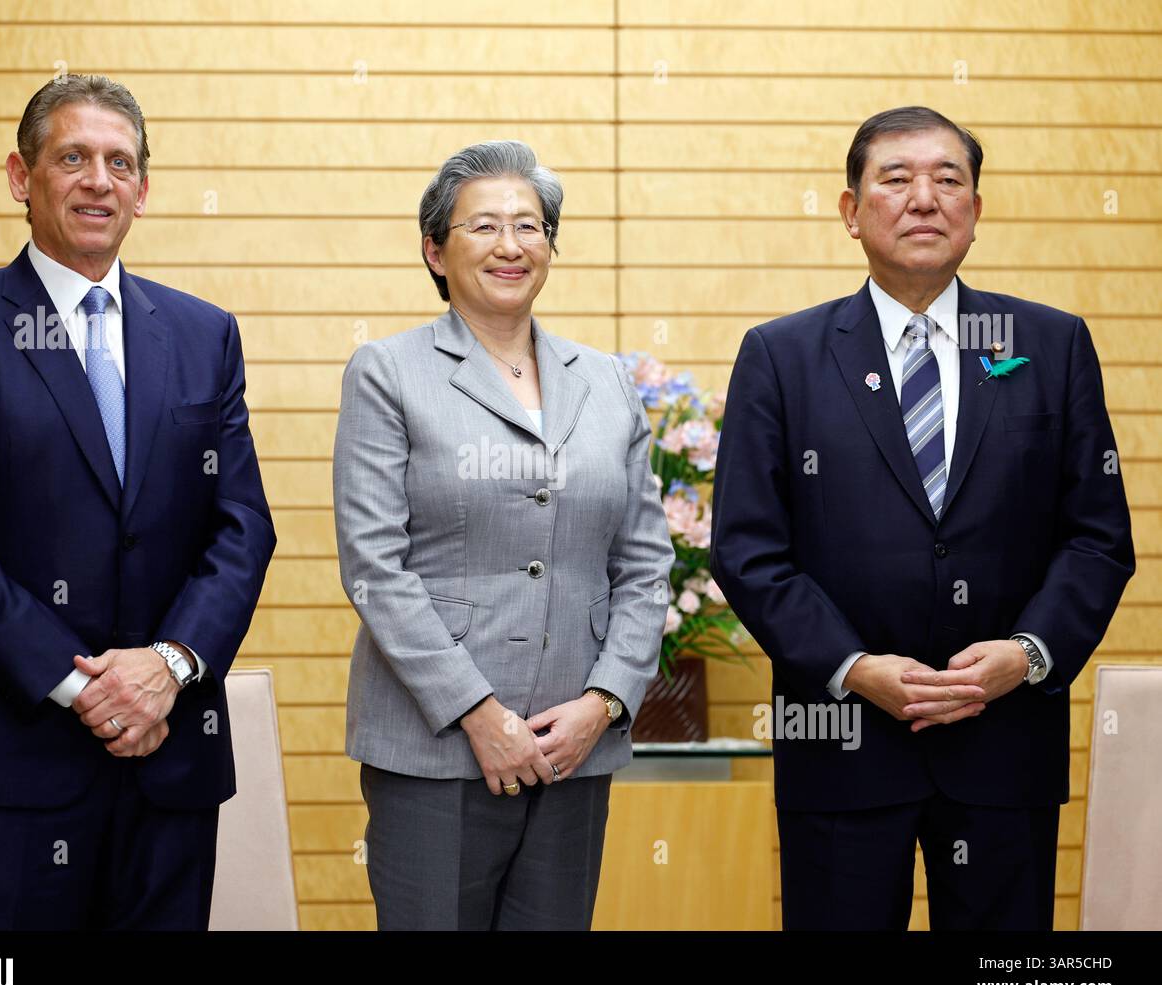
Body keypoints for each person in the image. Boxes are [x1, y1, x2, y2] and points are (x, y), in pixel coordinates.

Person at [710, 106, 1134, 930]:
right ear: (850, 209)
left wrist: (1027, 652)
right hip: (842, 741)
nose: (924, 198)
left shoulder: (1046, 344)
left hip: (1005, 741)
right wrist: (853, 665)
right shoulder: (783, 355)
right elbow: (749, 549)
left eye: (949, 180)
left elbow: (1097, 537)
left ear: (977, 209)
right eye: (896, 179)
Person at [0, 75, 276, 929]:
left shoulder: (206, 334)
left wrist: (165, 666)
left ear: (143, 188)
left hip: (168, 763)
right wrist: (83, 685)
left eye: (120, 162)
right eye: (74, 157)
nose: (100, 179)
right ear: (23, 177)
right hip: (10, 766)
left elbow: (242, 528)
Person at [333, 140, 674, 930]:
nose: (510, 245)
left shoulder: (607, 381)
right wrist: (480, 714)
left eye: (530, 225)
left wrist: (605, 700)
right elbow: (375, 567)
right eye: (483, 226)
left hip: (574, 748)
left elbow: (646, 561)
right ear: (435, 249)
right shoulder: (387, 371)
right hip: (433, 751)